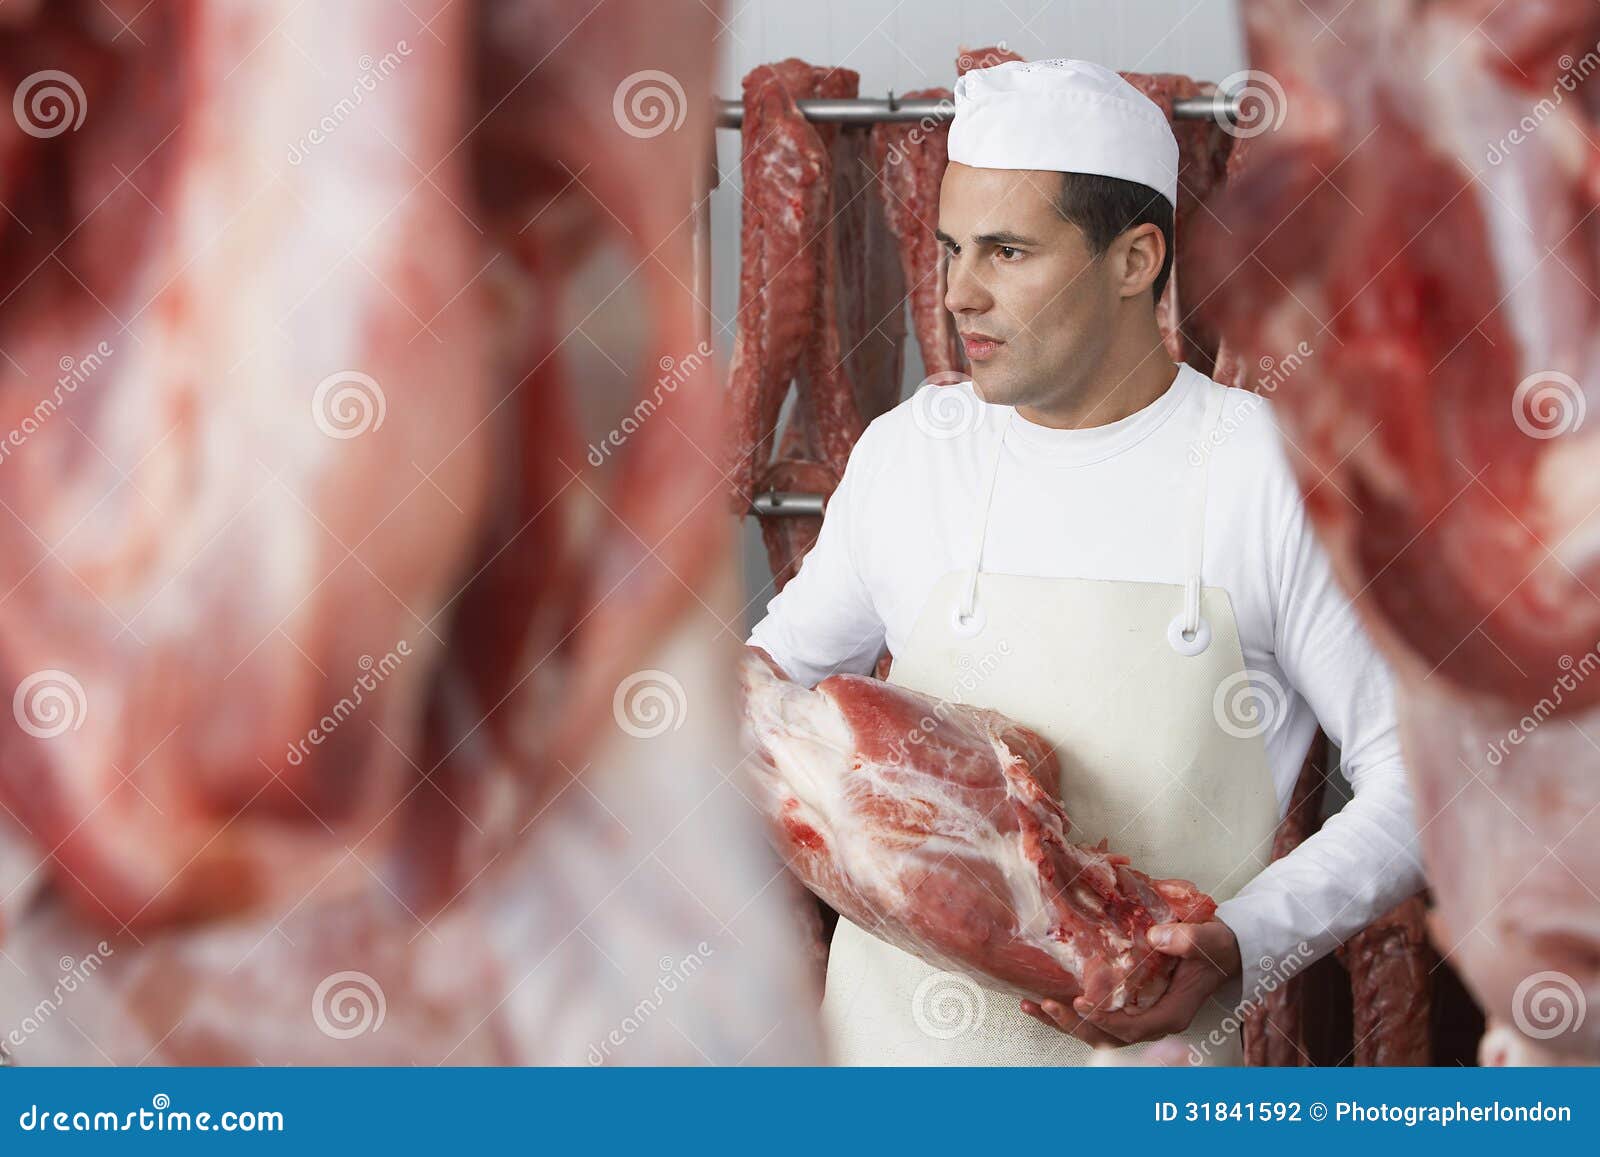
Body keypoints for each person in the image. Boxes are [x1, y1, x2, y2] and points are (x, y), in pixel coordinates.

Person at [745, 58, 1426, 1065]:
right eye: (948, 249)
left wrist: (1241, 942)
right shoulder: (911, 453)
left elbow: (1418, 785)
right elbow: (759, 696)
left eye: (1007, 251)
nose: (958, 294)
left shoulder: (1266, 474)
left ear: (1135, 259)